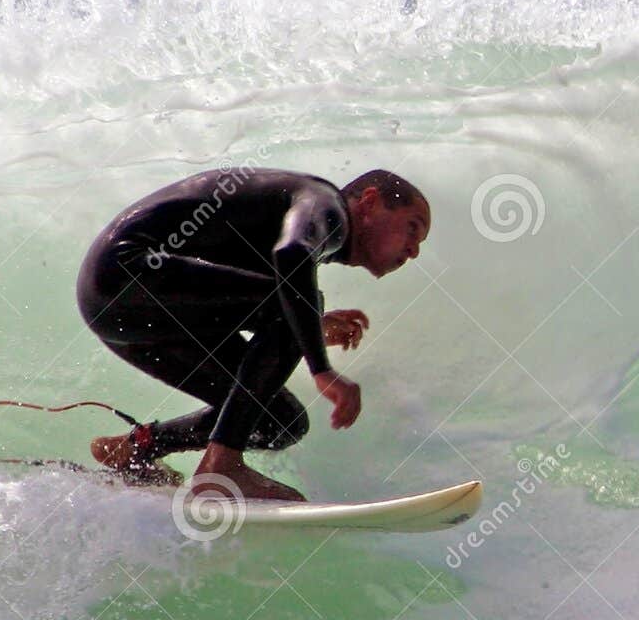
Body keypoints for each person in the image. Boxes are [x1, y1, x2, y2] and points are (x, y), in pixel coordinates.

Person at [75, 167, 431, 501]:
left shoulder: (290, 221)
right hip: (127, 274)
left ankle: (137, 449)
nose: (414, 250)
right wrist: (321, 368)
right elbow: (291, 256)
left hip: (118, 308)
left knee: (279, 421)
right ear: (369, 202)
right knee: (299, 299)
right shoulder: (327, 205)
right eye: (412, 228)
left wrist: (309, 323)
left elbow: (228, 292)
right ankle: (221, 467)